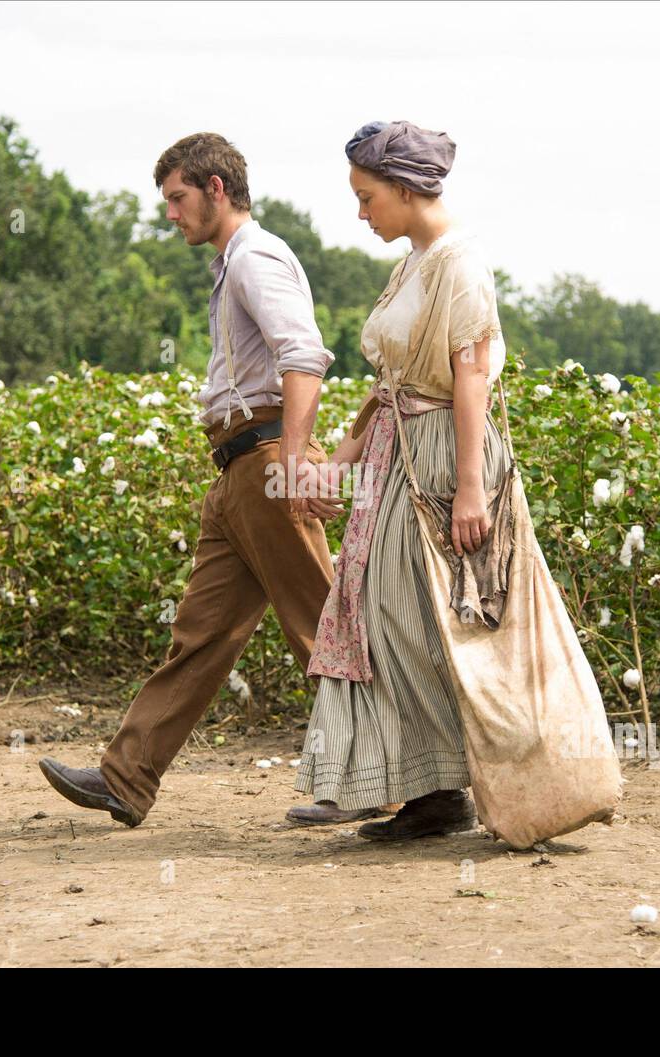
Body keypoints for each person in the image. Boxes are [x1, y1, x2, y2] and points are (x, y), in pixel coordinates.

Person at [38, 132, 391, 828]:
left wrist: (291, 464)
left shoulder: (257, 256)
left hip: (265, 463)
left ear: (216, 188)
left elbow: (304, 358)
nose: (170, 213)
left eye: (177, 197)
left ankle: (388, 782)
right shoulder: (233, 265)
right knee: (199, 634)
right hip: (236, 471)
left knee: (324, 627)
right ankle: (126, 777)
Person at [289, 120, 512, 840]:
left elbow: (470, 374)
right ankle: (413, 788)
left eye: (367, 197)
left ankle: (439, 786)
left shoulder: (458, 264)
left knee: (408, 620)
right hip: (397, 453)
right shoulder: (413, 263)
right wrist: (345, 457)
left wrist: (471, 488)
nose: (360, 213)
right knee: (370, 611)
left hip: (444, 456)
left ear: (408, 190)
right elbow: (389, 383)